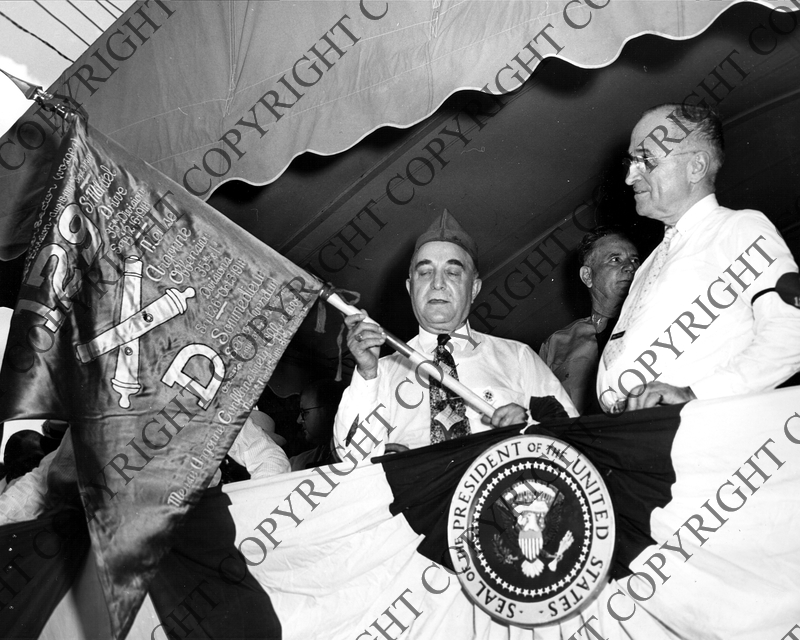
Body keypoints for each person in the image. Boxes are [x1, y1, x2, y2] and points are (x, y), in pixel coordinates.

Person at [597, 103, 800, 413]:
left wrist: (694, 395)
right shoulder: (650, 262)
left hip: (697, 427)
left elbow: (792, 330)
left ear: (696, 166)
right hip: (633, 429)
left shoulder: (738, 228)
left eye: (646, 160)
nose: (629, 177)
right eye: (631, 162)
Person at [333, 209, 578, 458]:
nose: (437, 283)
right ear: (410, 287)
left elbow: (574, 444)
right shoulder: (381, 372)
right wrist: (367, 373)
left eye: (452, 273)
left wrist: (528, 431)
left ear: (474, 289)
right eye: (425, 272)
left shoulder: (518, 357)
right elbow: (350, 458)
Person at [540, 227, 640, 414]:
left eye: (635, 260)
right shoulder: (556, 344)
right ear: (587, 276)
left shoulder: (654, 322)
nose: (631, 267)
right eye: (615, 259)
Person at [290, 379, 344, 471]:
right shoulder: (297, 463)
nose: (298, 420)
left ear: (328, 410)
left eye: (304, 412)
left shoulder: (349, 457)